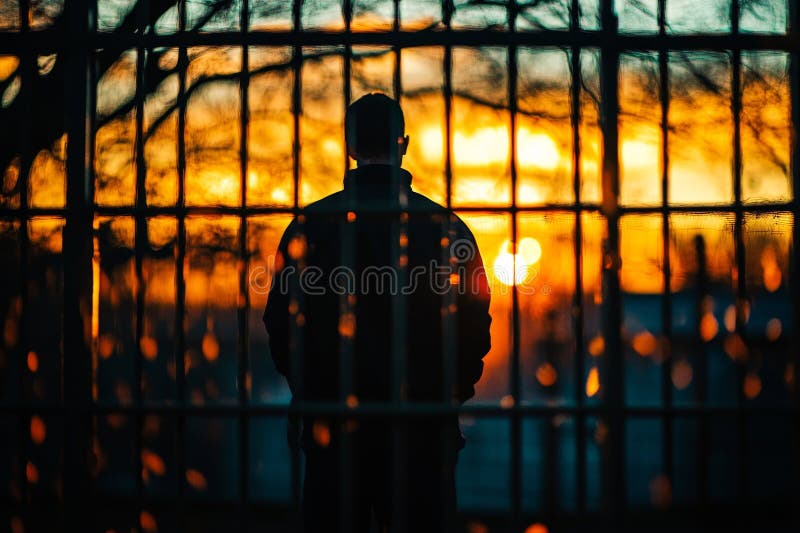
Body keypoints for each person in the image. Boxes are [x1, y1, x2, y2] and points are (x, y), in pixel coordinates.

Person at [264, 93, 491, 532]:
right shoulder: (447, 228)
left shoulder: (309, 226)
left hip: (334, 427)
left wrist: (310, 391)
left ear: (348, 147)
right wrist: (449, 394)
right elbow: (475, 323)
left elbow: (280, 322)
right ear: (403, 143)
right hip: (421, 426)